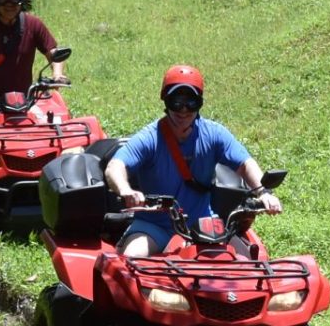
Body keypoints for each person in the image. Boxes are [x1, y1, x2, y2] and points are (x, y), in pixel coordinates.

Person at [104, 65, 281, 257]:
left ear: (200, 103)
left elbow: (245, 164)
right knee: (131, 259)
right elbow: (115, 166)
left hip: (204, 224)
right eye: (176, 102)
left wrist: (263, 192)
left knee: (247, 263)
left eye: (191, 102)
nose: (183, 110)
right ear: (166, 102)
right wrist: (125, 190)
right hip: (154, 226)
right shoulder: (150, 138)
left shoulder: (214, 134)